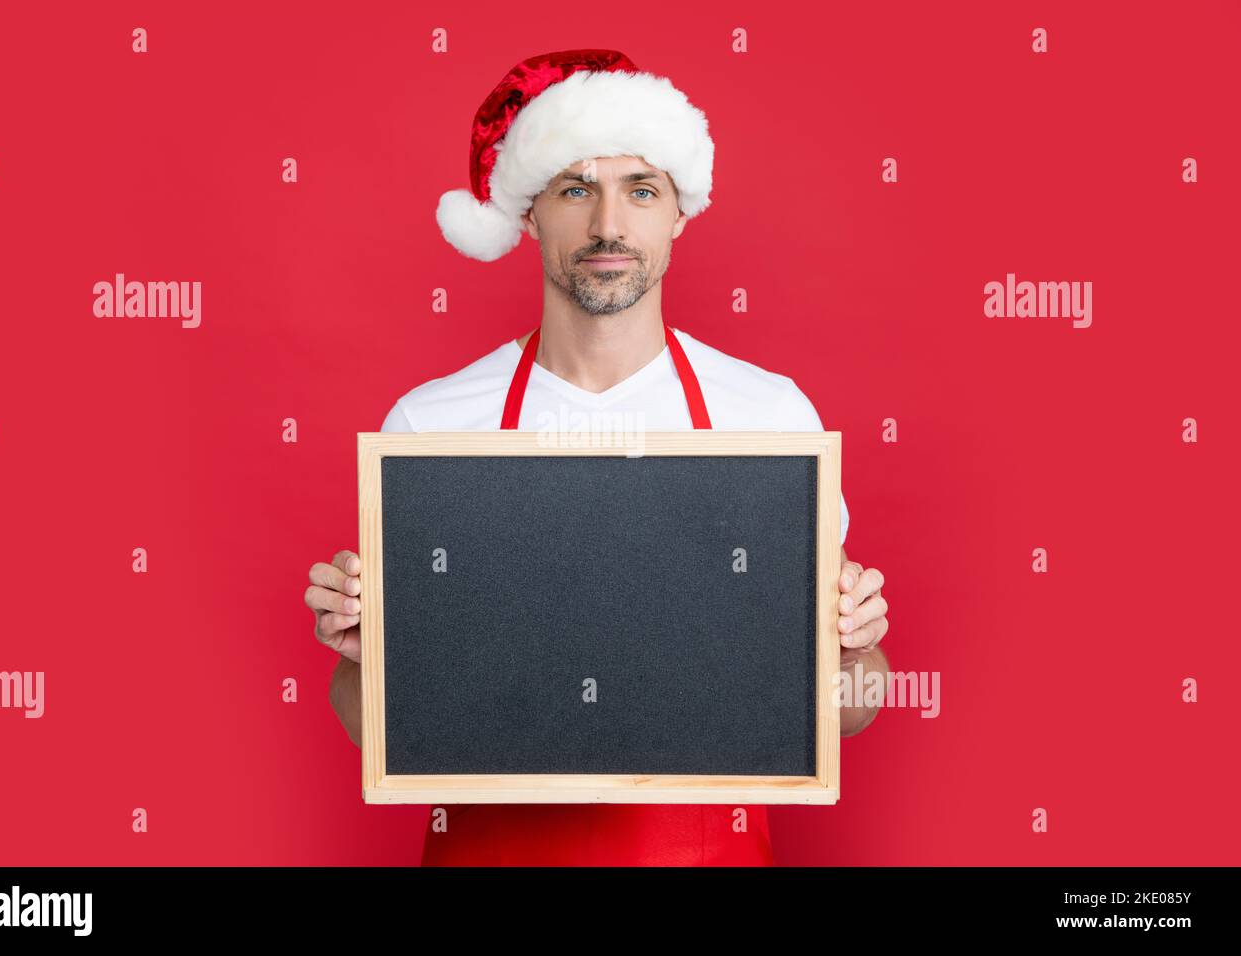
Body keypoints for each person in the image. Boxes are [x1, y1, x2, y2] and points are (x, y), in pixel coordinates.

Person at [306, 49, 891, 866]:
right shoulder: (432, 426)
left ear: (679, 211)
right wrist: (360, 651)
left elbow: (850, 709)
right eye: (575, 189)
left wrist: (855, 650)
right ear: (529, 214)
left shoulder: (771, 419)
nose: (608, 226)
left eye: (640, 190)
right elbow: (368, 718)